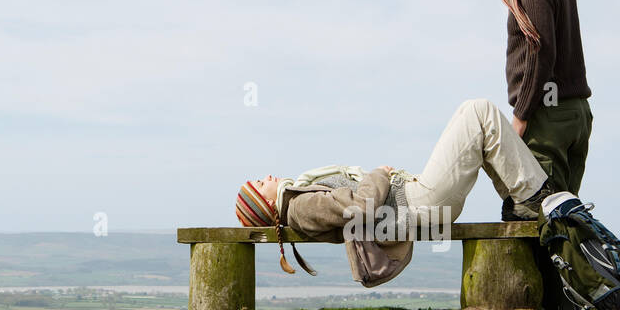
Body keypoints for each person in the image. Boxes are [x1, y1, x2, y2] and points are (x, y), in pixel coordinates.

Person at [235, 98, 555, 278]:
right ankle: (531, 198)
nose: (266, 176)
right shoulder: (301, 208)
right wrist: (379, 174)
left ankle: (522, 200)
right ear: (265, 205)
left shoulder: (298, 201)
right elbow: (361, 208)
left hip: (417, 201)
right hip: (418, 205)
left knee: (472, 120)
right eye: (260, 183)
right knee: (477, 112)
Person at [489, 0, 593, 216]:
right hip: (572, 113)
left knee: (529, 216)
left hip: (549, 117)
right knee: (560, 218)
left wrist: (521, 116)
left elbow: (539, 52)